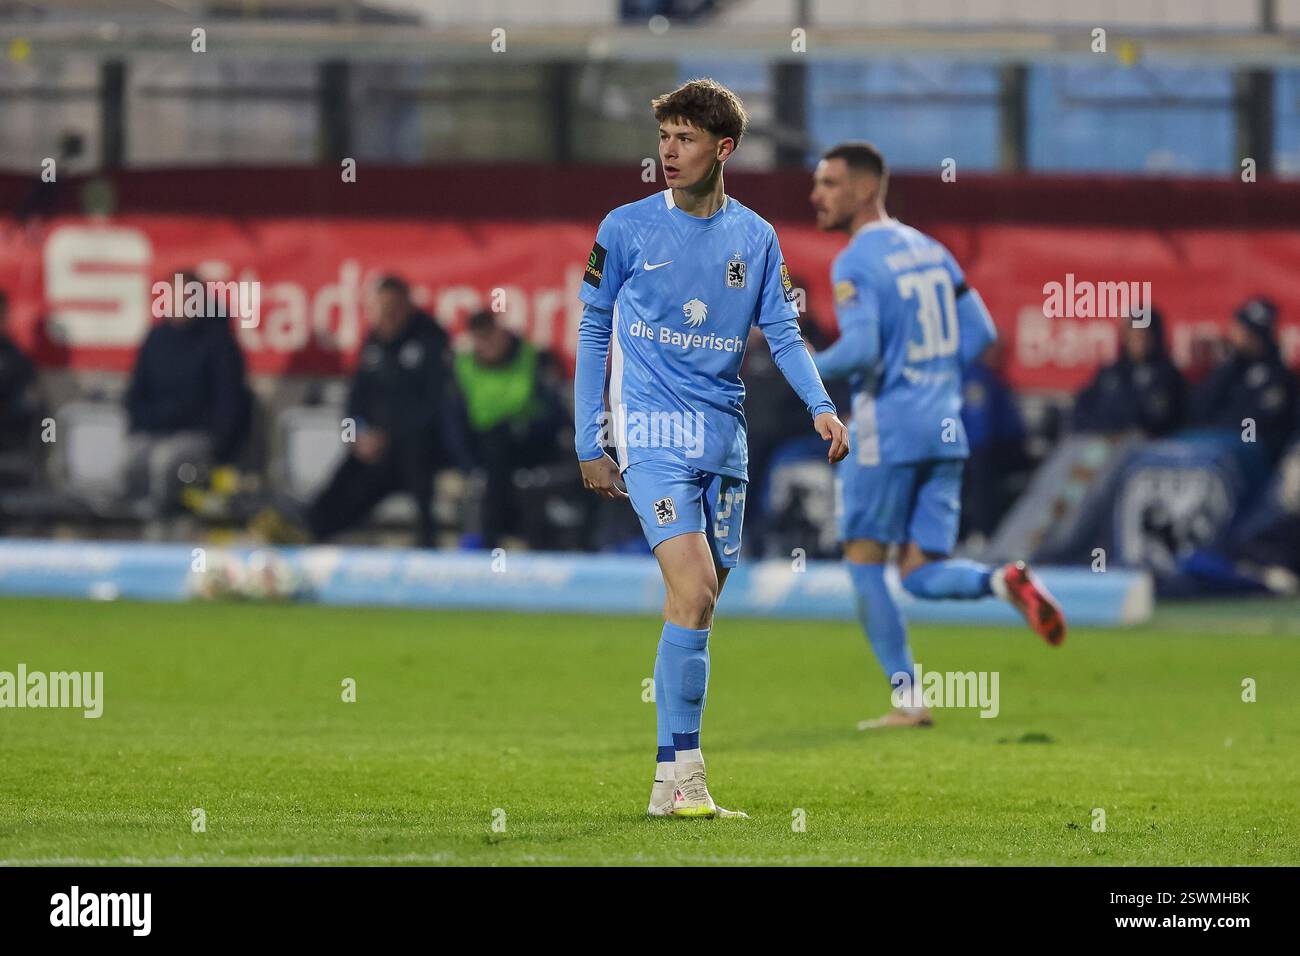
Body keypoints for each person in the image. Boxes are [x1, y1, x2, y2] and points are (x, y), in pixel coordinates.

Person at [574, 78, 848, 819]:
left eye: (685, 138)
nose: (668, 150)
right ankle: (691, 778)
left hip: (724, 440)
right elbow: (593, 331)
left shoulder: (755, 238)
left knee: (697, 606)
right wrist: (590, 437)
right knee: (693, 589)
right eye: (663, 136)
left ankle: (668, 780)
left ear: (723, 148)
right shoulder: (625, 228)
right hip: (651, 434)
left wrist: (820, 407)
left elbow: (784, 333)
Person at [808, 141, 1066, 731]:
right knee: (920, 571)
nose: (815, 195)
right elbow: (981, 333)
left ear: (866, 189)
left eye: (828, 183)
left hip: (886, 429)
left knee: (864, 562)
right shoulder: (931, 249)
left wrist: (805, 368)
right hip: (946, 426)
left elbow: (864, 349)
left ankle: (908, 699)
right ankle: (1003, 580)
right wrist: (932, 377)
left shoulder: (854, 260)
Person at [298, 275, 463, 548]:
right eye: (381, 309)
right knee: (343, 481)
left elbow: (435, 406)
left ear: (407, 307)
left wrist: (388, 436)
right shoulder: (373, 343)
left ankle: (427, 548)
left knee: (414, 467)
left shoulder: (431, 340)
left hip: (417, 446)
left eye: (393, 308)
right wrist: (355, 437)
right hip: (372, 445)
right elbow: (354, 401)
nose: (388, 316)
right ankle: (310, 535)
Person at [124, 273, 252, 515]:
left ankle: (161, 523)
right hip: (155, 431)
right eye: (173, 297)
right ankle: (129, 524)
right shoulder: (156, 339)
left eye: (187, 298)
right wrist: (148, 422)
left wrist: (219, 446)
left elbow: (228, 406)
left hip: (197, 435)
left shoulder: (219, 344)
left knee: (165, 461)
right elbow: (135, 396)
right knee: (130, 457)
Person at [455, 310, 566, 548]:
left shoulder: (532, 358)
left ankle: (493, 538)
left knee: (501, 450)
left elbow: (554, 413)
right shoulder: (463, 366)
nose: (488, 344)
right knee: (495, 453)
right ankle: (504, 535)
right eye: (481, 338)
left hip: (530, 440)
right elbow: (454, 421)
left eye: (491, 335)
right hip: (487, 447)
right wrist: (468, 466)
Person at [1190, 297, 1298, 462]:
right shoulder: (1229, 370)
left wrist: (1226, 432)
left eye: (1243, 331)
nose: (1235, 335)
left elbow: (1260, 426)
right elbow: (1200, 407)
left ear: (1257, 337)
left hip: (1253, 461)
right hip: (1213, 451)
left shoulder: (1279, 378)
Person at [1072, 307, 1185, 438]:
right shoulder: (1111, 373)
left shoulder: (1167, 377)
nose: (1139, 341)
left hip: (1143, 448)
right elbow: (1084, 407)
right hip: (1100, 444)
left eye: (1144, 335)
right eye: (1134, 335)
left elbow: (1159, 419)